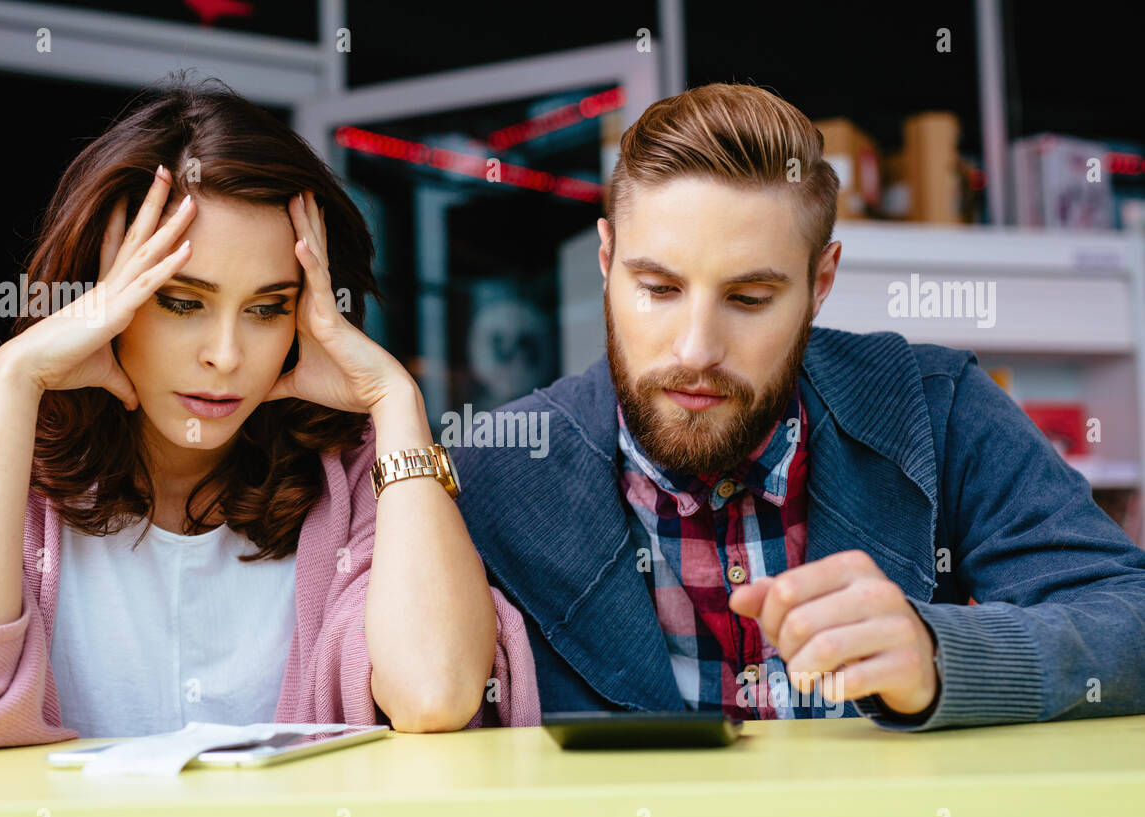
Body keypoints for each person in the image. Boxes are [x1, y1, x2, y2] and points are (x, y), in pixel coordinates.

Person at [0, 74, 538, 753]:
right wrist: (13, 376)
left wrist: (397, 404)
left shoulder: (355, 484)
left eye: (268, 309)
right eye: (183, 302)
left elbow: (438, 693)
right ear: (100, 298)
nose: (227, 355)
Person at [451, 82, 1145, 731]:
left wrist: (941, 655)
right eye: (658, 289)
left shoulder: (937, 408)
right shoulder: (496, 470)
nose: (696, 350)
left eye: (749, 299)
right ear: (606, 263)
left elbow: (1128, 620)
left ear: (821, 282)